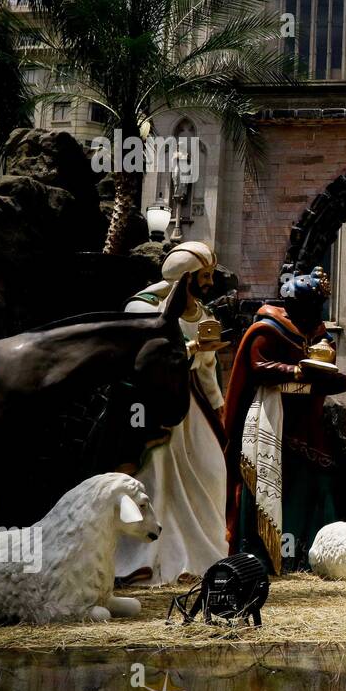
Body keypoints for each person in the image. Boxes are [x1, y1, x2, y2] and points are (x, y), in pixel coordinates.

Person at [224, 267, 346, 574]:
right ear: (296, 305)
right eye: (313, 306)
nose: (318, 313)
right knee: (271, 485)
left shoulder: (320, 336)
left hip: (308, 423)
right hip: (274, 418)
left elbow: (324, 380)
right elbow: (257, 366)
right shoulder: (266, 329)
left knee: (316, 483)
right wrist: (295, 370)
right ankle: (263, 555)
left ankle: (315, 553)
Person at [115, 242, 229, 586]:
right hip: (153, 407)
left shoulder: (204, 314)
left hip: (192, 406)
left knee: (211, 472)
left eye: (210, 275)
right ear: (184, 278)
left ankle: (202, 557)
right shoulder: (142, 307)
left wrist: (219, 405)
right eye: (203, 276)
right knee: (156, 476)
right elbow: (150, 356)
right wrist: (192, 348)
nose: (209, 282)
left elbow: (207, 370)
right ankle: (141, 559)